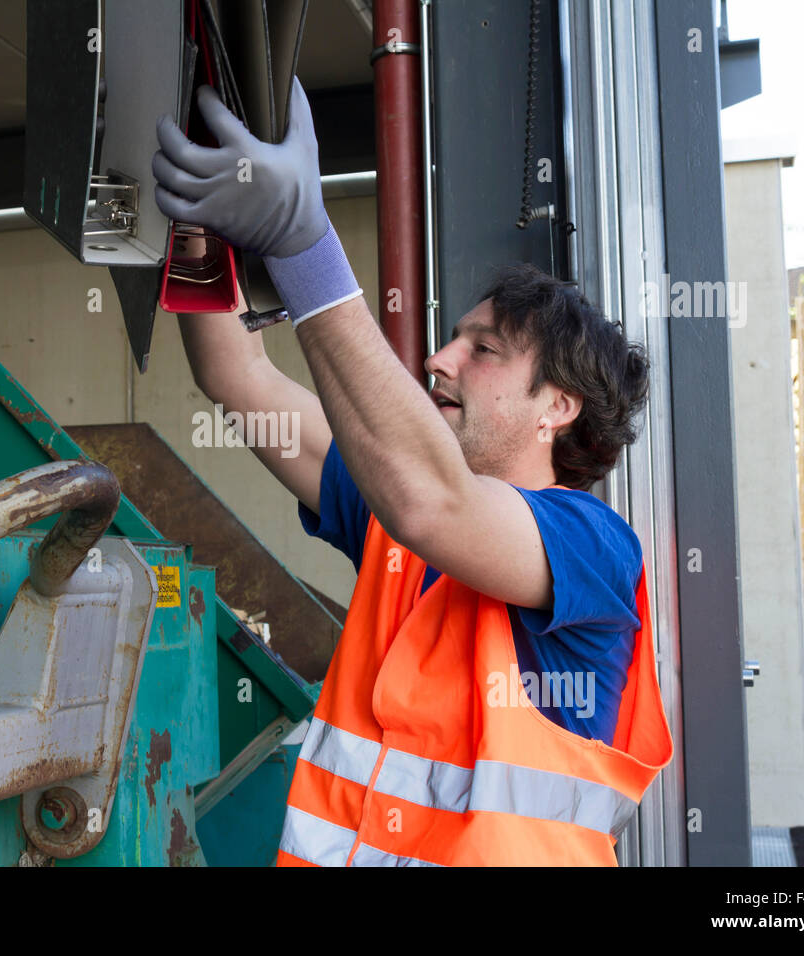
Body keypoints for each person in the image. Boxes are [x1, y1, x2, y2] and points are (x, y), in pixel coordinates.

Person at [153, 79, 672, 866]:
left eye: (483, 349)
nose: (439, 358)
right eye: (453, 338)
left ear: (557, 408)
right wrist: (199, 236)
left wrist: (303, 244)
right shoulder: (398, 521)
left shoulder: (593, 547)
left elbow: (434, 504)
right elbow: (239, 381)